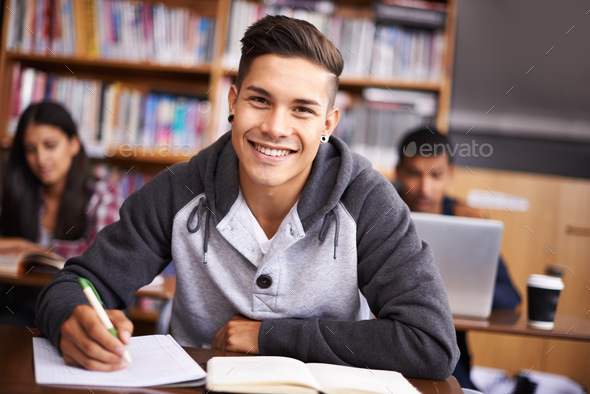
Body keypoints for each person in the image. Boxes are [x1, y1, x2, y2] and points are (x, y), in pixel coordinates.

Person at [36, 15, 459, 379]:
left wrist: (270, 337)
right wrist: (69, 318)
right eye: (260, 100)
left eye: (302, 109)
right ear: (234, 101)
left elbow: (431, 343)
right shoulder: (180, 188)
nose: (276, 127)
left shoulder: (368, 201)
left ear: (328, 123)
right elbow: (75, 283)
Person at [395, 126, 521, 388]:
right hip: (387, 345)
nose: (425, 189)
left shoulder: (468, 221)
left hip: (450, 357)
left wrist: (441, 296)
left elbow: (510, 296)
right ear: (398, 172)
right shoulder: (381, 213)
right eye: (414, 174)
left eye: (436, 176)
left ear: (451, 174)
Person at [0, 101, 123, 326]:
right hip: (19, 305)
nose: (41, 159)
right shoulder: (16, 188)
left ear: (73, 144)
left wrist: (35, 249)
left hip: (79, 306)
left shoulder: (101, 192)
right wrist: (20, 244)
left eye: (50, 145)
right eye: (30, 149)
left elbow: (101, 253)